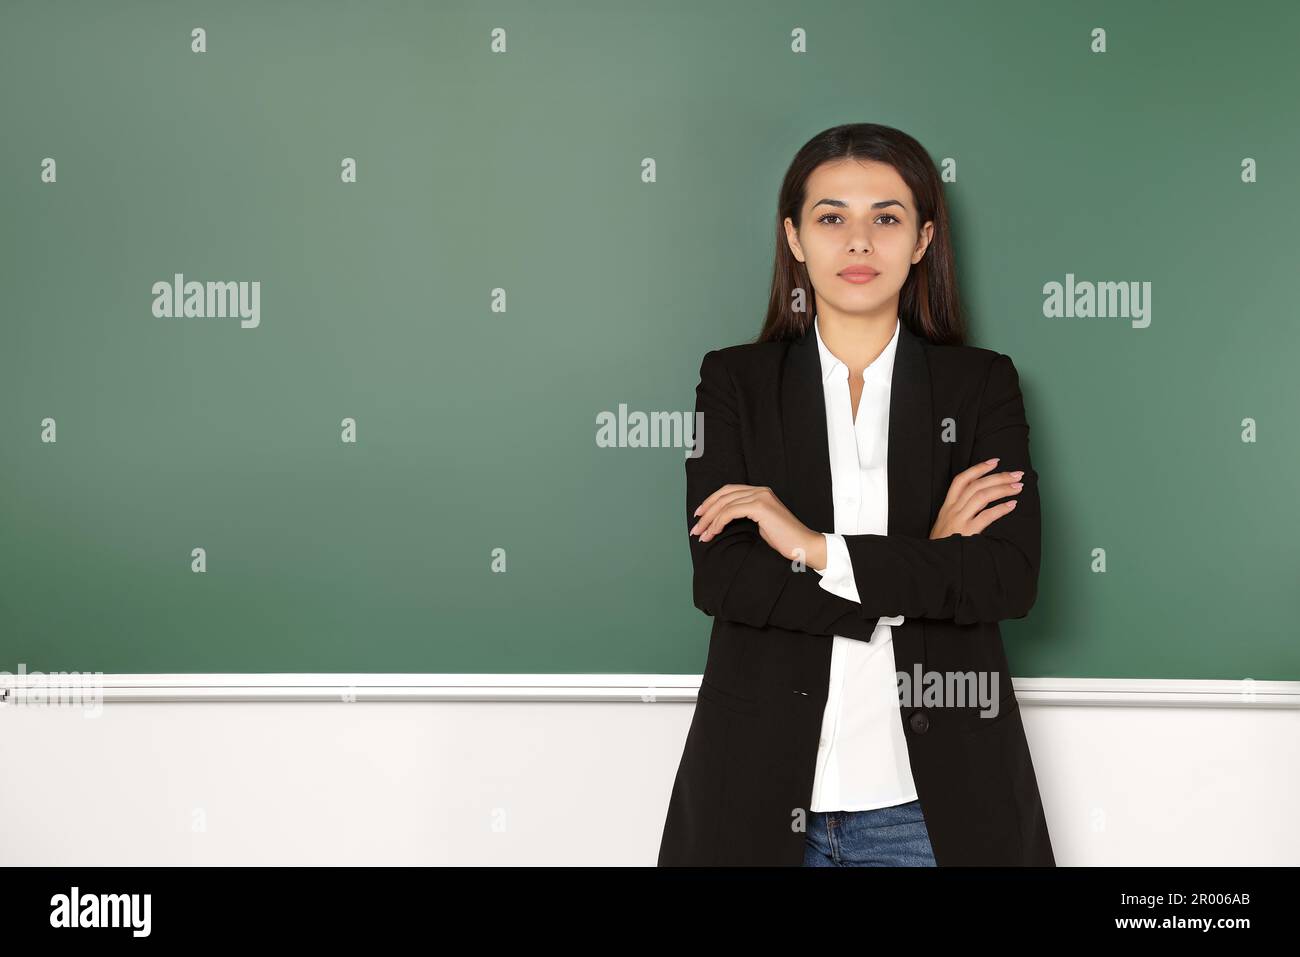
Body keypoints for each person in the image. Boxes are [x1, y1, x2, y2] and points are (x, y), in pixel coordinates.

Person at [658, 123, 1055, 867]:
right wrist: (928, 556)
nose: (860, 242)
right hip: (757, 798)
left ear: (924, 238)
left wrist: (812, 548)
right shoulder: (734, 383)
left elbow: (1007, 577)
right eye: (832, 217)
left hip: (931, 809)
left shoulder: (980, 386)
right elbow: (726, 579)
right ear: (795, 238)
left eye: (888, 217)